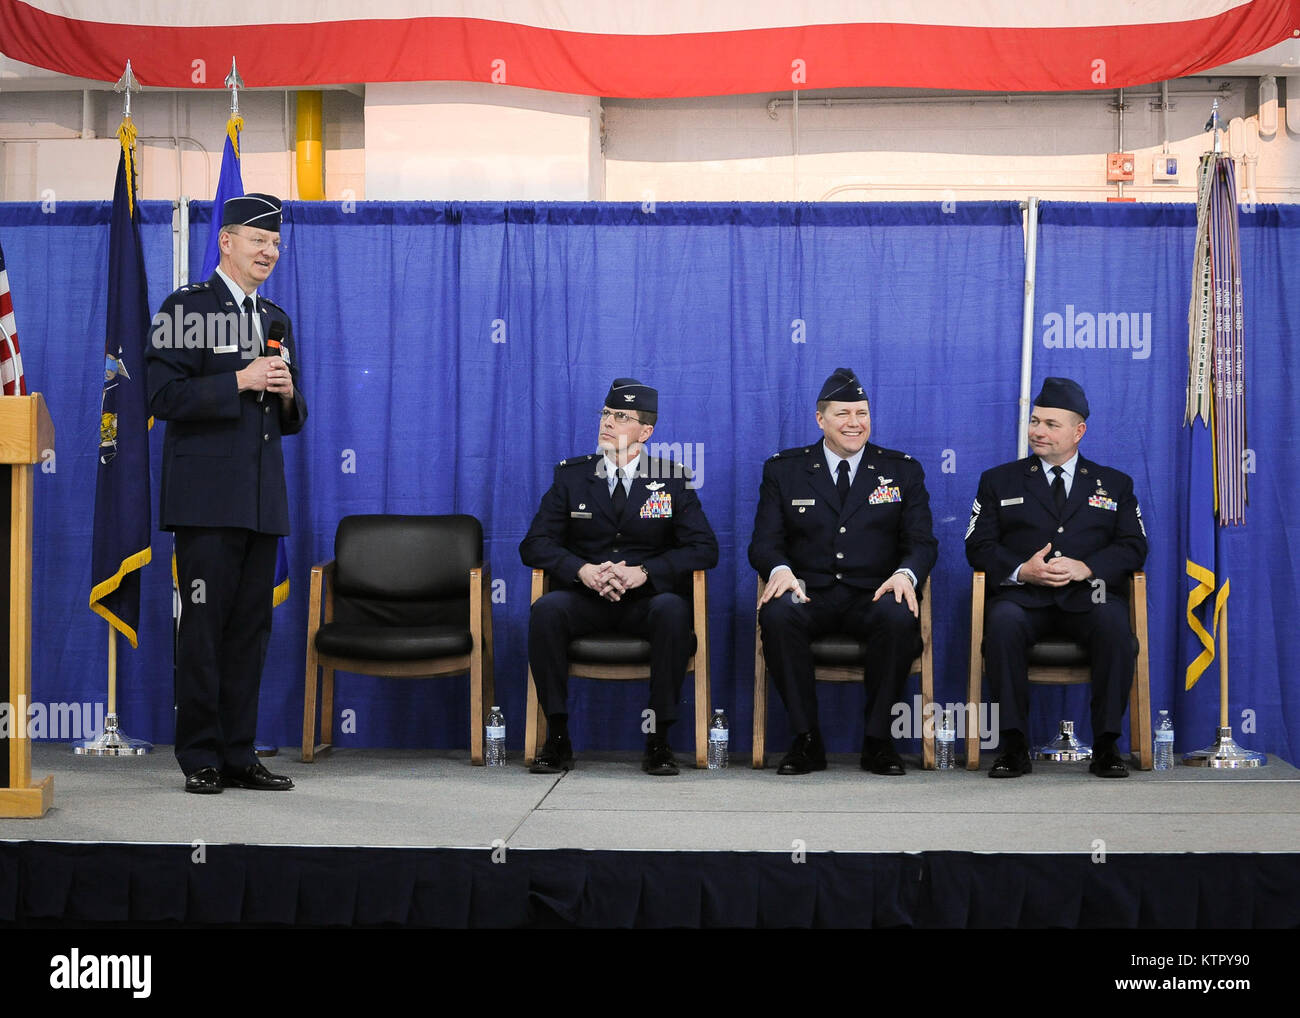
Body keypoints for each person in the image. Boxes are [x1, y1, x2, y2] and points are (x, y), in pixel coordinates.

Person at [146, 193, 307, 794]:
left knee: (249, 634)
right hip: (207, 503)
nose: (269, 252)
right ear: (226, 242)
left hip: (262, 502)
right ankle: (200, 757)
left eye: (275, 244)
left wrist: (288, 393)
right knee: (205, 632)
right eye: (258, 241)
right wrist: (239, 379)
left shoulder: (276, 319)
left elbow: (289, 417)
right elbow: (161, 398)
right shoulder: (184, 308)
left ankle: (240, 753)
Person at [520, 378, 718, 776]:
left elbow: (704, 549)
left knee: (673, 612)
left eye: (621, 417)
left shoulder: (673, 479)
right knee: (546, 611)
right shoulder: (571, 477)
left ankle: (659, 739)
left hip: (644, 603)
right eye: (606, 414)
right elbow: (534, 544)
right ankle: (557, 737)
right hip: (585, 598)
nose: (608, 423)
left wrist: (645, 572)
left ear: (646, 432)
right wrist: (582, 570)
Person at [749, 367, 937, 775]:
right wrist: (780, 570)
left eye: (862, 413)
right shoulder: (784, 470)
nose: (855, 423)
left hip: (874, 593)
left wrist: (905, 576)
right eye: (843, 414)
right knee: (778, 614)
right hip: (808, 593)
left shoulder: (903, 471)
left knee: (899, 615)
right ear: (821, 420)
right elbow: (764, 542)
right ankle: (807, 740)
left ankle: (877, 741)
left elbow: (922, 543)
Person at [965, 377, 1147, 778]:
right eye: (1034, 422)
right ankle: (1013, 746)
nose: (1038, 431)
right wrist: (1021, 569)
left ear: (1078, 431)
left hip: (1090, 596)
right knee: (1001, 624)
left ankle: (1106, 746)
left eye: (1050, 424)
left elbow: (1135, 546)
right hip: (1023, 598)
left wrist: (1089, 567)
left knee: (1117, 628)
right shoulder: (999, 480)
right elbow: (977, 545)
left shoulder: (1115, 484)